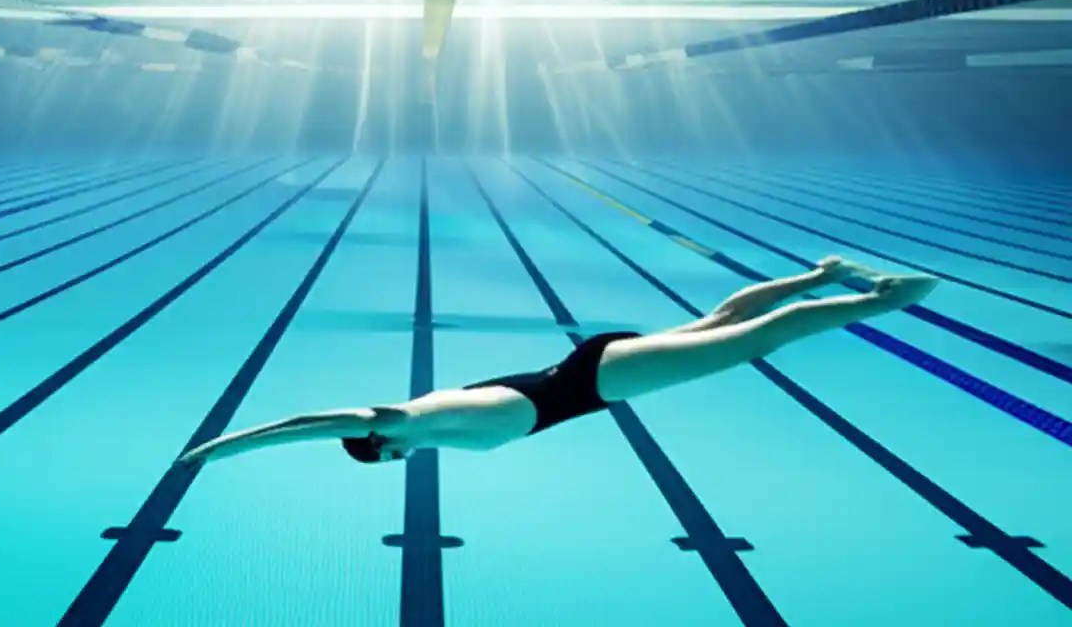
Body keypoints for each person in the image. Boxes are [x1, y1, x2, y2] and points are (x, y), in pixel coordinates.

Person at [177, 256, 937, 466]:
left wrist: (224, 448)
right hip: (586, 369)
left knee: (749, 340)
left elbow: (314, 423)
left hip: (593, 383)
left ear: (378, 444)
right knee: (724, 321)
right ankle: (821, 272)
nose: (396, 461)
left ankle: (884, 296)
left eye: (383, 459)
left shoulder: (401, 418)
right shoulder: (427, 430)